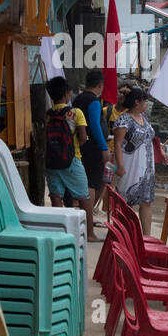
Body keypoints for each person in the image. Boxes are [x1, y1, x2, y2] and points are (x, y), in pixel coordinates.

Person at [44, 76, 98, 240]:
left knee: (56, 196)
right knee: (83, 197)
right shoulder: (75, 113)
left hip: (51, 161)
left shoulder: (48, 115)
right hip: (72, 159)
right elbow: (82, 137)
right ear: (67, 93)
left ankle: (60, 233)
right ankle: (89, 233)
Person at [113, 87, 158, 234]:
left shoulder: (144, 118)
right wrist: (120, 166)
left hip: (146, 166)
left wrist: (161, 152)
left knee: (146, 201)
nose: (147, 103)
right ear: (137, 102)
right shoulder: (124, 119)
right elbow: (118, 144)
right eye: (145, 100)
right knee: (127, 201)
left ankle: (146, 236)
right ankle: (124, 234)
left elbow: (150, 138)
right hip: (130, 165)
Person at [70, 69, 108, 238]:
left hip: (79, 145)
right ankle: (88, 222)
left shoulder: (77, 98)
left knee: (86, 182)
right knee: (92, 184)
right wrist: (104, 147)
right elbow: (94, 125)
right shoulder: (93, 101)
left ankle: (85, 220)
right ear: (100, 85)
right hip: (92, 147)